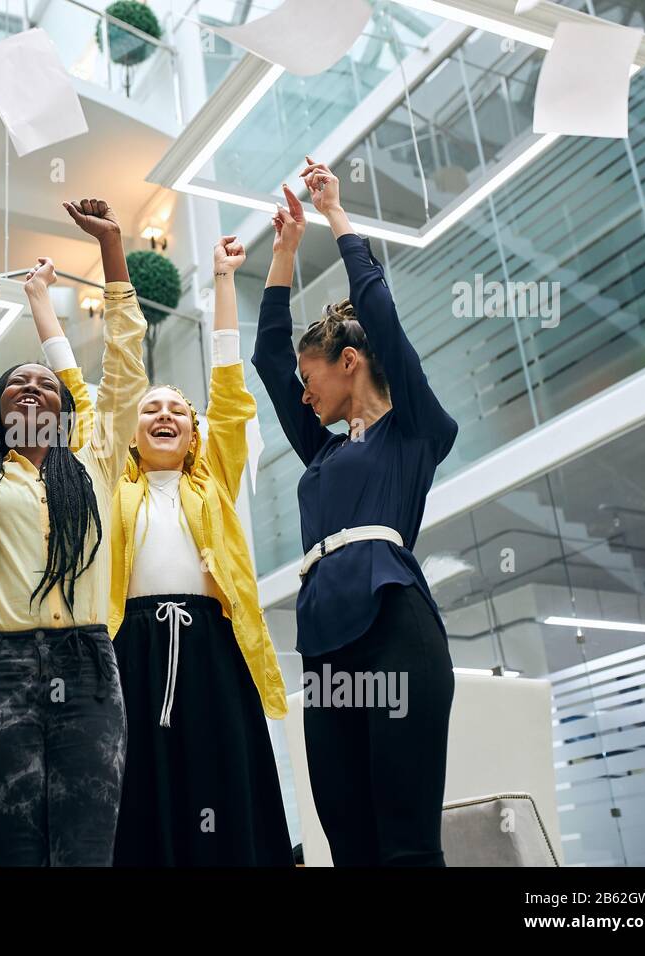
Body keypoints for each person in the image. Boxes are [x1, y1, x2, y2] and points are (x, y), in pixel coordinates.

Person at [0, 199, 148, 866]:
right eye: (16, 383)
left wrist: (111, 247)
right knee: (17, 852)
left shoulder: (97, 458)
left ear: (64, 409)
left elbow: (126, 362)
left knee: (85, 851)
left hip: (88, 667)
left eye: (45, 384)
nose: (30, 386)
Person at [250, 159, 459, 867]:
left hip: (396, 624)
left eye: (312, 380)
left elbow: (381, 313)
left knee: (403, 844)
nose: (302, 396)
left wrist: (336, 215)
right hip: (325, 641)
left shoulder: (415, 431)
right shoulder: (322, 451)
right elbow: (266, 353)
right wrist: (283, 249)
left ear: (348, 363)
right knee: (349, 845)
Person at [102, 235, 294, 867]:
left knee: (219, 776)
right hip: (131, 647)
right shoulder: (113, 485)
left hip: (213, 645)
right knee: (139, 789)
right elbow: (97, 393)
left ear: (193, 433)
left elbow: (230, 393)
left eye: (177, 411)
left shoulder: (214, 476)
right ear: (132, 434)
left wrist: (221, 281)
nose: (163, 414)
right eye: (150, 408)